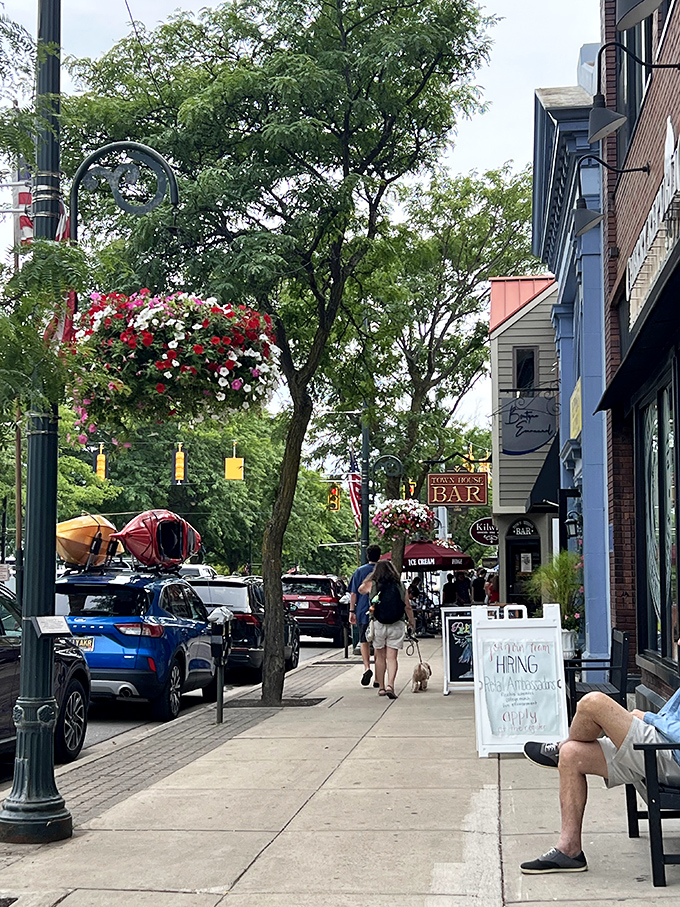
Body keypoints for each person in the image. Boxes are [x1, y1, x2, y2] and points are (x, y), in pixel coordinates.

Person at [520, 689, 680, 874]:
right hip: (663, 745)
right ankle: (569, 851)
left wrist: (648, 718)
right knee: (571, 754)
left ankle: (559, 746)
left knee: (593, 703)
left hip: (671, 755)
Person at [359, 559, 415, 699]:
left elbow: (360, 589)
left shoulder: (372, 585)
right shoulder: (400, 585)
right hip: (397, 623)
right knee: (392, 657)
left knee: (380, 657)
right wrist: (412, 622)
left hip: (378, 623)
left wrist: (371, 577)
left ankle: (382, 688)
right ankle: (391, 685)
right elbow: (407, 606)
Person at [348, 544, 381, 687]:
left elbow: (353, 593)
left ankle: (367, 667)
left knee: (364, 640)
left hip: (363, 611)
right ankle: (378, 678)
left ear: (367, 556)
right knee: (379, 644)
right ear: (379, 556)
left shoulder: (359, 572)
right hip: (380, 611)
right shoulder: (383, 570)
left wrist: (351, 611)